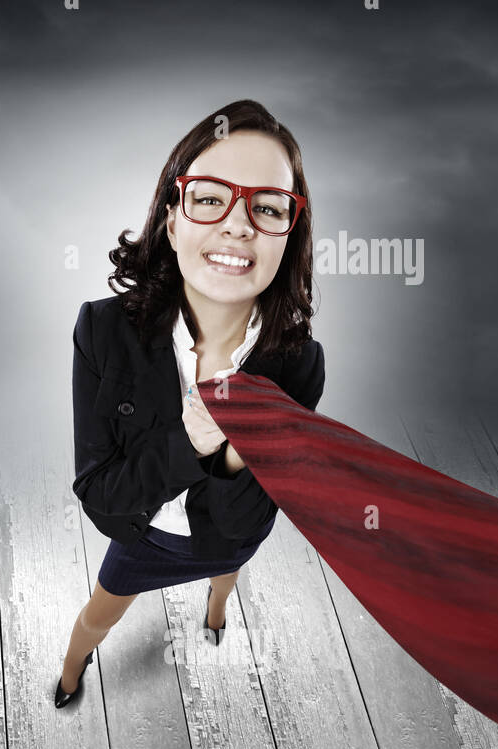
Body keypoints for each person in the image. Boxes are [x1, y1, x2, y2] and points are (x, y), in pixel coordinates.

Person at [56, 99, 326, 708]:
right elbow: (103, 499)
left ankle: (217, 606)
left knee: (228, 568)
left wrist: (232, 458)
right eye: (209, 197)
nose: (238, 225)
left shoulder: (300, 365)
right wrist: (195, 439)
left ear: (288, 237)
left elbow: (244, 519)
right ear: (172, 220)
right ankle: (70, 674)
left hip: (227, 538)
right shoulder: (101, 331)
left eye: (268, 207)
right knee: (97, 617)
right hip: (144, 536)